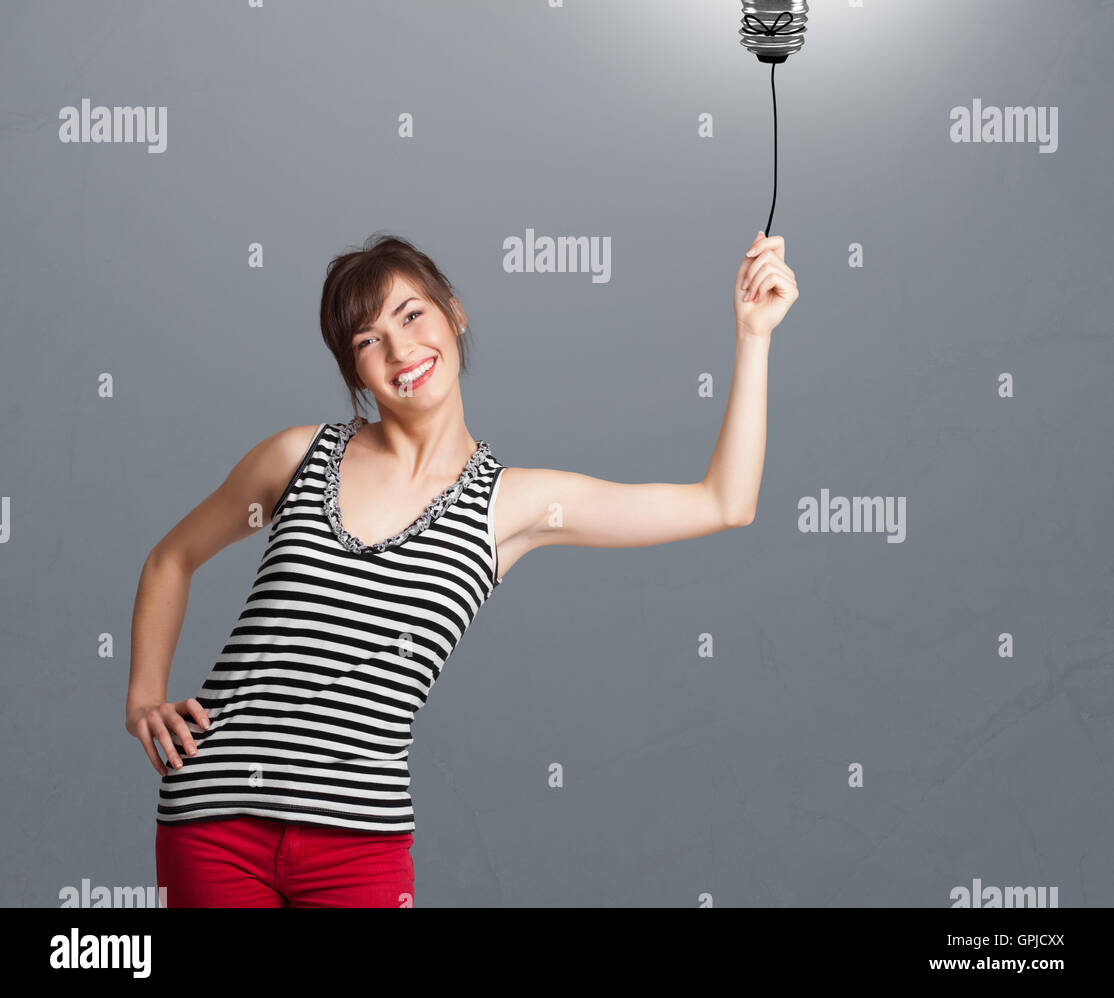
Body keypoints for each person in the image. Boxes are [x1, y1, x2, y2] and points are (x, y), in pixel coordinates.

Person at [125, 229, 798, 907]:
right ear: (353, 368)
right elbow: (170, 559)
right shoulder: (295, 458)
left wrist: (754, 335)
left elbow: (724, 502)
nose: (399, 350)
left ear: (455, 311)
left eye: (412, 315)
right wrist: (144, 698)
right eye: (367, 340)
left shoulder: (512, 506)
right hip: (216, 822)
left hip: (360, 844)